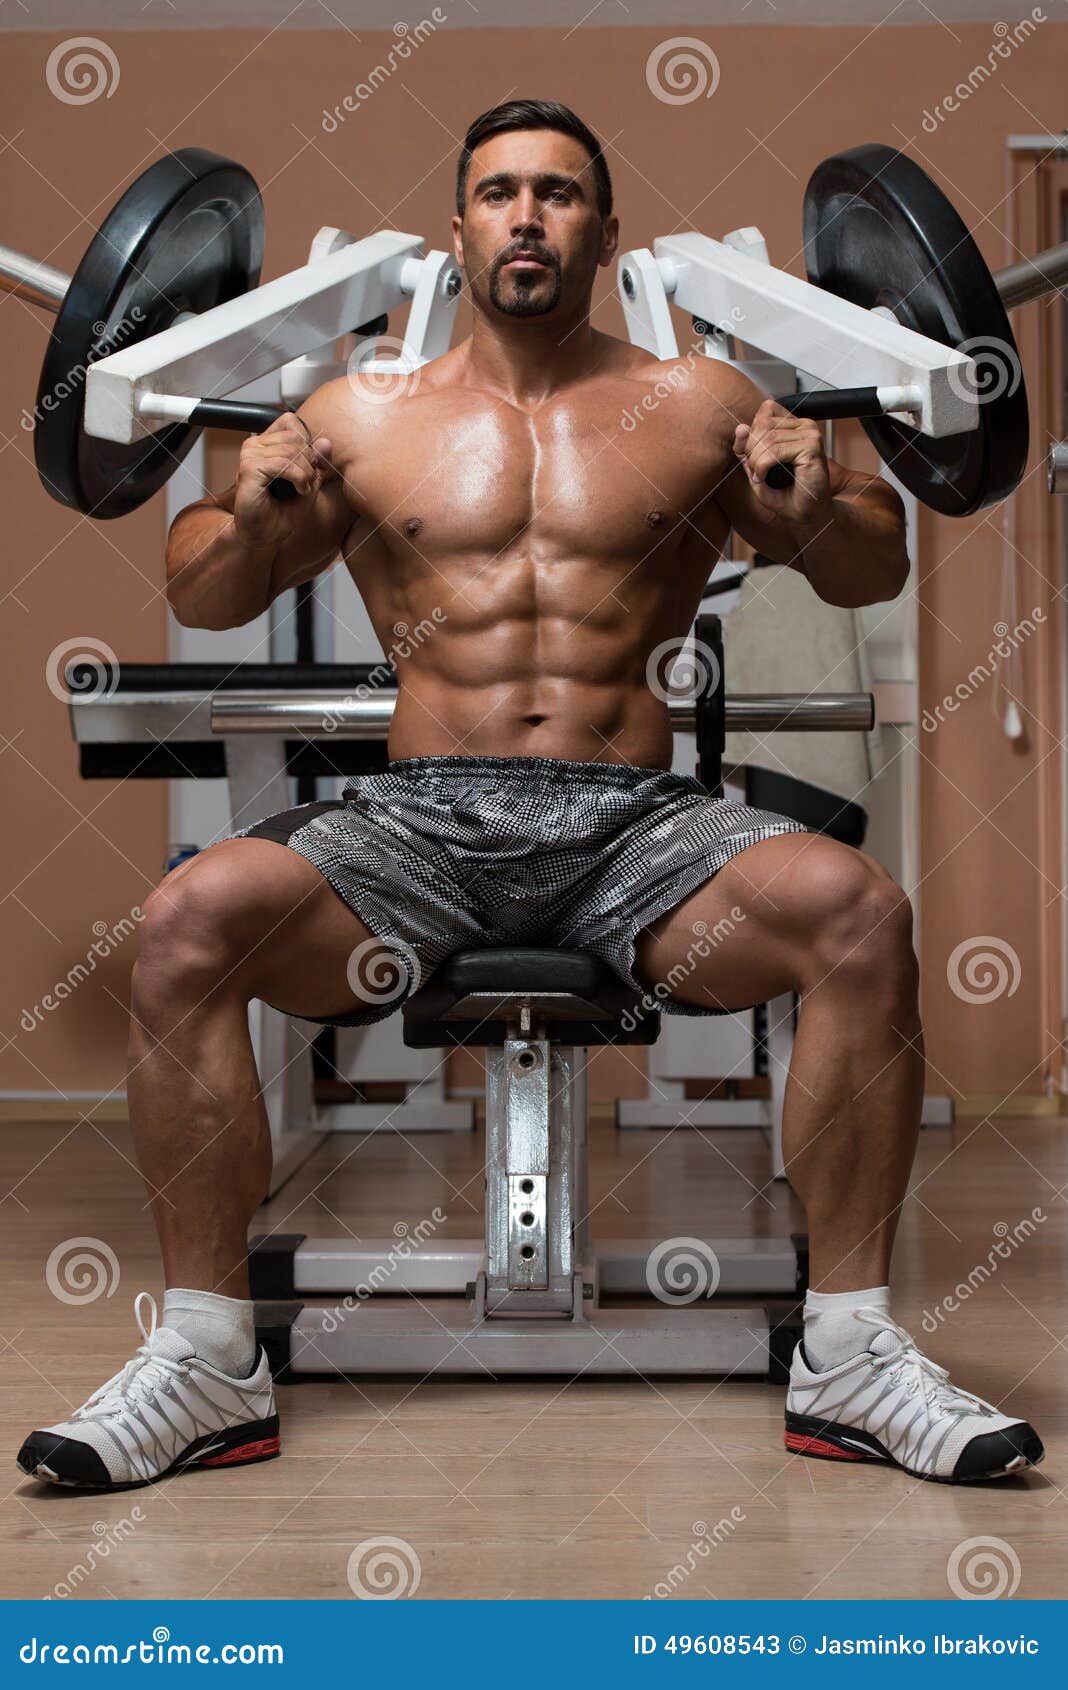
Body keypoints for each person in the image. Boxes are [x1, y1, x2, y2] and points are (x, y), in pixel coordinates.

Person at [18, 99, 1042, 1492]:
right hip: (421, 823)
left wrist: (809, 506)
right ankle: (206, 1361)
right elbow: (204, 586)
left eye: (559, 194)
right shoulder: (361, 416)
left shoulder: (699, 404)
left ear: (605, 234)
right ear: (458, 229)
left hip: (637, 825)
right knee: (187, 922)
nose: (527, 217)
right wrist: (251, 509)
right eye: (500, 191)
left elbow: (874, 566)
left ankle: (851, 1352)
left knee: (857, 913)